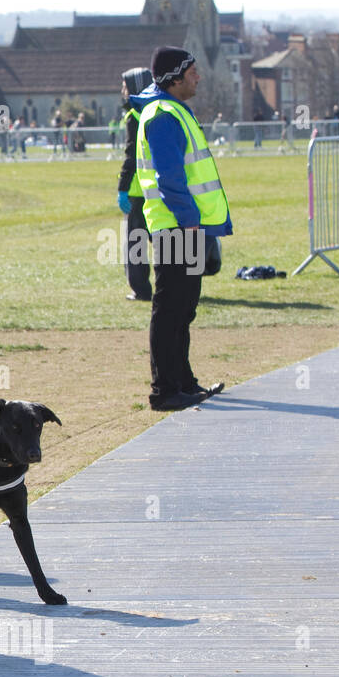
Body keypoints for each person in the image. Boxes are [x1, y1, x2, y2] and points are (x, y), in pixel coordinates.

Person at [133, 46, 231, 412]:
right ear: (174, 78)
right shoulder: (161, 115)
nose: (198, 77)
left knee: (184, 308)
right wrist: (190, 221)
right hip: (177, 227)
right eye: (192, 72)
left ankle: (183, 381)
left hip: (187, 227)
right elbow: (170, 176)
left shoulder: (173, 110)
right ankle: (165, 390)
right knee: (171, 307)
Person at [117, 67, 153, 301]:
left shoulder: (134, 117)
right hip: (158, 188)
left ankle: (140, 289)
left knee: (135, 243)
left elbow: (131, 155)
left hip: (138, 189)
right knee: (167, 241)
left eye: (125, 86)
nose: (122, 91)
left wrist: (122, 188)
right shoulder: (156, 111)